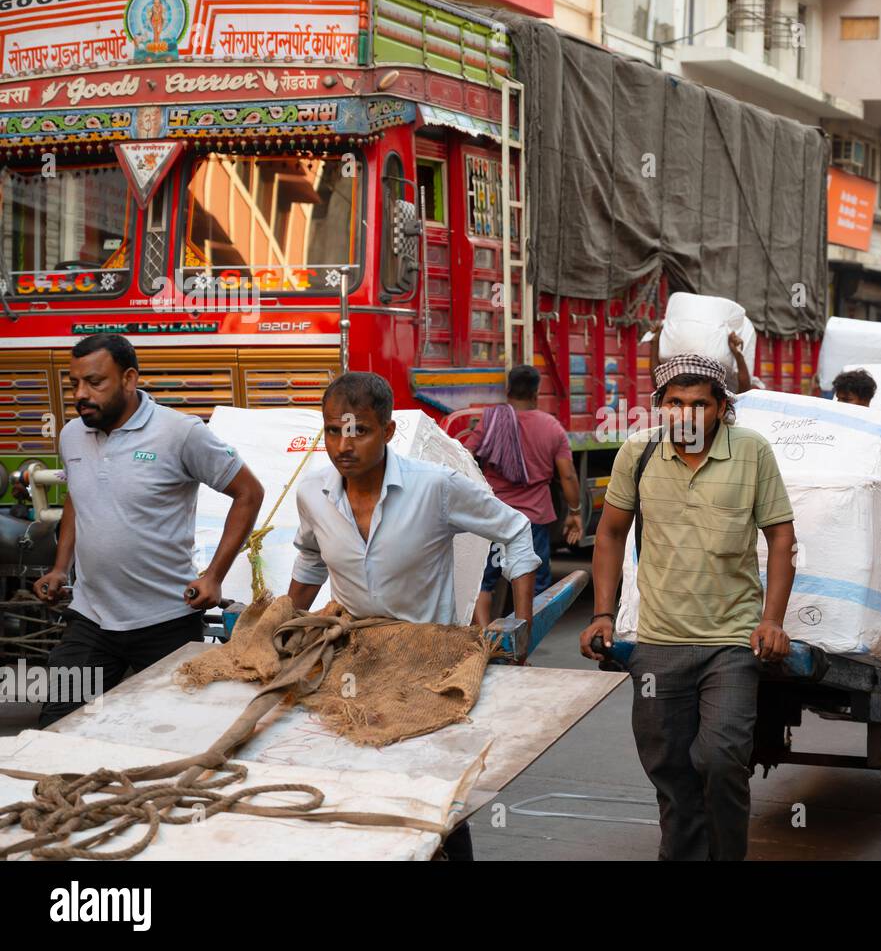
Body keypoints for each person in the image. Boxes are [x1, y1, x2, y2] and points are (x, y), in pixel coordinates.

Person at [287, 372, 540, 860]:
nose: (344, 443)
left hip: (430, 661)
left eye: (358, 430)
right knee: (355, 781)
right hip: (354, 658)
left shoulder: (435, 488)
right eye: (332, 430)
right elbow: (310, 560)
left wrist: (520, 623)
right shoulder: (313, 493)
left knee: (435, 793)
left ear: (388, 431)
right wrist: (284, 629)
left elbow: (515, 529)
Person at [579, 353, 796, 860]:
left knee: (721, 759)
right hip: (659, 642)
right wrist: (602, 613)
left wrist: (772, 621)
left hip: (731, 642)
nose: (685, 414)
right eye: (674, 403)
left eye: (699, 404)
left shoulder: (752, 451)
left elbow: (781, 539)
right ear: (660, 406)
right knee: (670, 767)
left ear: (721, 409)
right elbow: (610, 534)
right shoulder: (639, 452)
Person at [34, 334, 264, 725]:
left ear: (129, 379)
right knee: (56, 726)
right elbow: (79, 495)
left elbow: (249, 492)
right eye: (74, 383)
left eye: (95, 382)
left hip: (166, 620)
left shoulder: (179, 433)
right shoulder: (72, 435)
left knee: (169, 735)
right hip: (91, 619)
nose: (81, 394)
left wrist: (214, 576)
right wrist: (60, 567)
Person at [463, 365, 583, 627]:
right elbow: (568, 476)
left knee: (484, 581)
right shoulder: (551, 427)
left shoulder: (491, 420)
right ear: (537, 393)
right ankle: (526, 640)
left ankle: (485, 638)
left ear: (507, 391)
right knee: (533, 582)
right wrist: (575, 512)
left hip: (495, 515)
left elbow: (466, 456)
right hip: (533, 519)